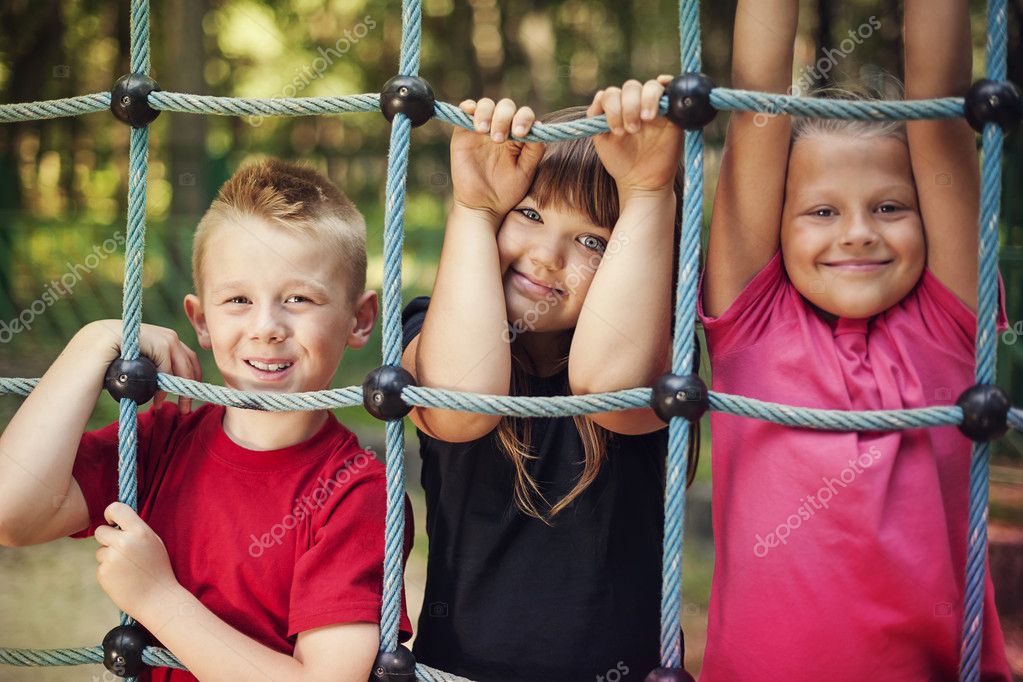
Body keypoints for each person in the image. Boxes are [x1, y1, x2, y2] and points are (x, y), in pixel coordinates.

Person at [0, 159, 413, 682]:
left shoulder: (357, 493)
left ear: (360, 319)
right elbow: (11, 512)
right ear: (200, 320)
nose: (267, 327)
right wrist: (92, 343)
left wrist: (158, 598)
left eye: (299, 298)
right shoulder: (159, 440)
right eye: (238, 299)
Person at [698, 1, 1012, 679]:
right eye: (820, 211)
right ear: (774, 231)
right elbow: (756, 88)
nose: (857, 232)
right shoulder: (752, 327)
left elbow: (941, 94)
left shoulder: (948, 326)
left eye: (889, 207)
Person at [400, 77, 697, 681]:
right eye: (529, 214)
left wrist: (645, 193)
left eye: (592, 239)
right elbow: (462, 404)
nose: (545, 256)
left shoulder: (661, 366)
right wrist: (475, 208)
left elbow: (607, 386)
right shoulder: (430, 328)